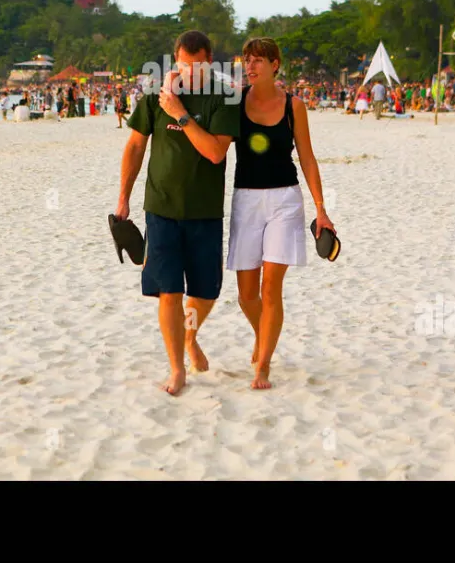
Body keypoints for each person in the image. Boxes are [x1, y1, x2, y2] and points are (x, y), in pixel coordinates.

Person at [115, 31, 240, 397]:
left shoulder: (223, 96)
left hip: (204, 209)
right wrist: (123, 198)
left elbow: (216, 153)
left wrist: (181, 114)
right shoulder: (157, 95)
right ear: (175, 60)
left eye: (198, 65)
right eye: (184, 64)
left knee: (206, 292)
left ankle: (190, 336)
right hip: (160, 207)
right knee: (168, 290)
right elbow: (136, 146)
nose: (190, 71)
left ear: (210, 60)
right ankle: (176, 367)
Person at [229, 38, 334, 390]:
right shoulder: (235, 101)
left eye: (258, 60)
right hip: (245, 201)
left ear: (275, 65)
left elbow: (306, 156)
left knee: (270, 287)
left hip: (285, 201)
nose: (251, 66)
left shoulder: (294, 106)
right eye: (248, 60)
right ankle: (264, 334)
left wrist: (321, 210)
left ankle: (264, 364)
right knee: (246, 294)